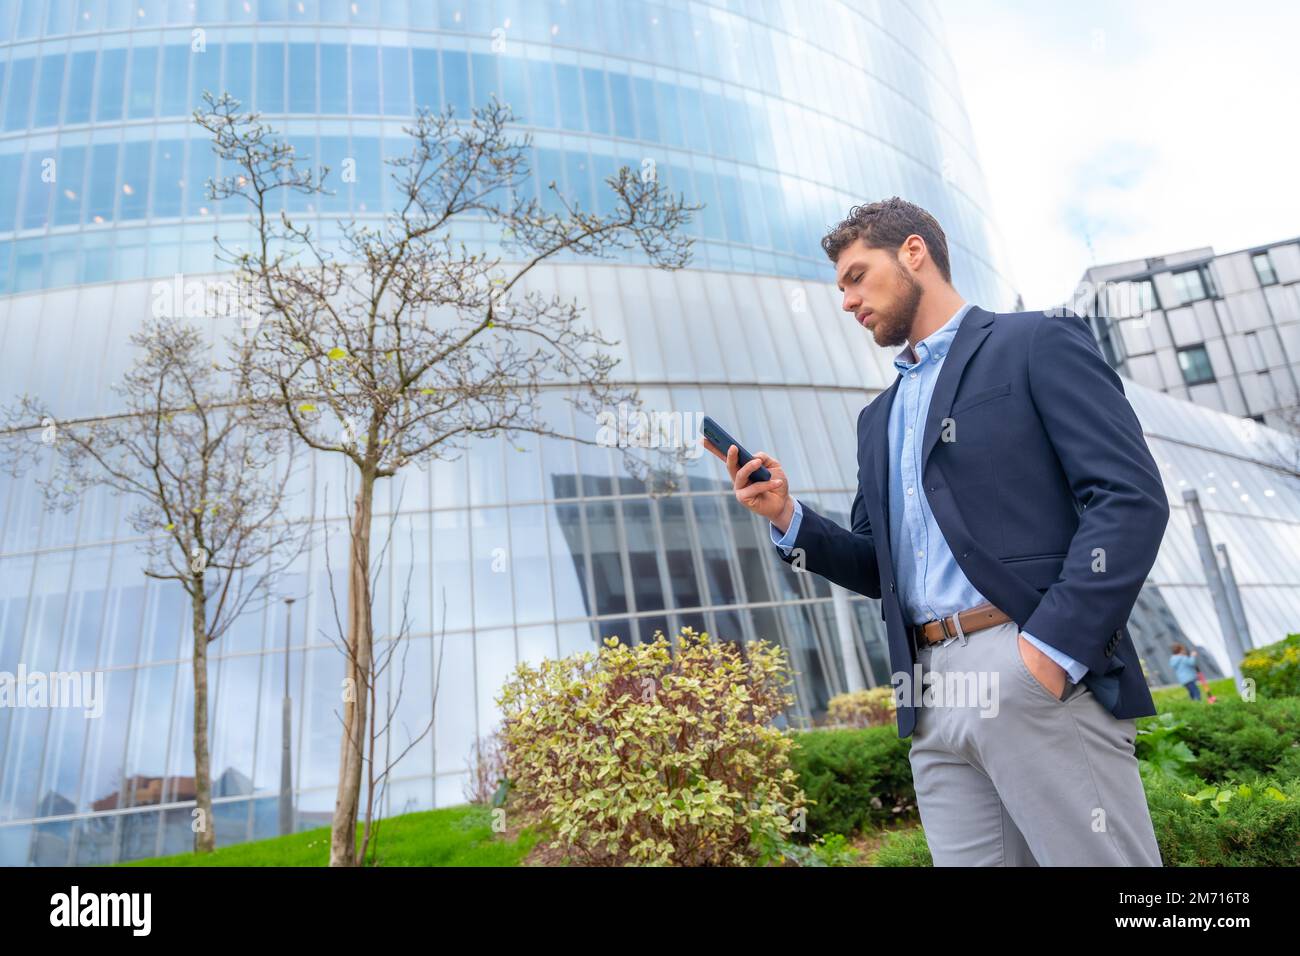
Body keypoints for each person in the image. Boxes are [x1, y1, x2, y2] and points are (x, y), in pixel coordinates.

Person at [703, 197, 1169, 866]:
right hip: (927, 695)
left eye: (857, 276)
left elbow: (1129, 498)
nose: (846, 301)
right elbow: (877, 565)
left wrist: (1050, 652)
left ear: (914, 252)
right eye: (840, 287)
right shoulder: (878, 418)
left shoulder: (1035, 342)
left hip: (1025, 665)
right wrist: (786, 516)